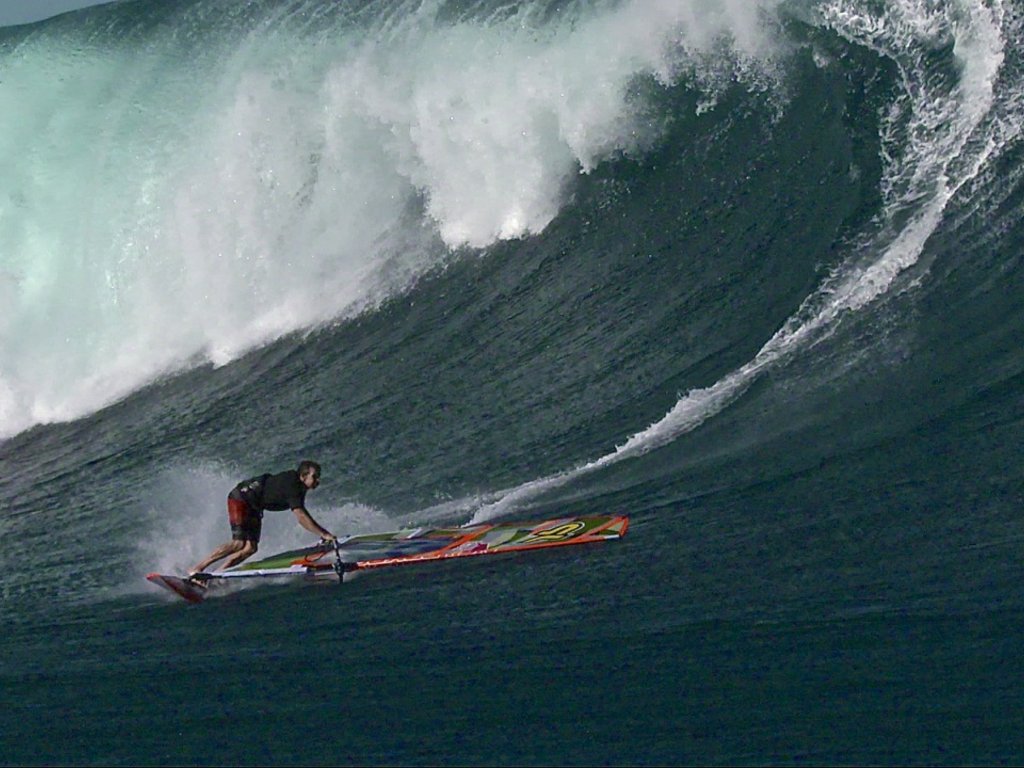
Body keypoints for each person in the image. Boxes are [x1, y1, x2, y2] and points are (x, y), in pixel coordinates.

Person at [188, 460, 335, 583]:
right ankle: (197, 569)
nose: (318, 481)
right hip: (241, 498)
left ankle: (217, 575)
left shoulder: (298, 486)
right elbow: (301, 517)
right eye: (314, 477)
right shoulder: (293, 486)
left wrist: (323, 534)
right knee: (238, 543)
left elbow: (301, 514)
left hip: (254, 505)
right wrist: (324, 534)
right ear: (303, 476)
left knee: (250, 548)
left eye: (318, 477)